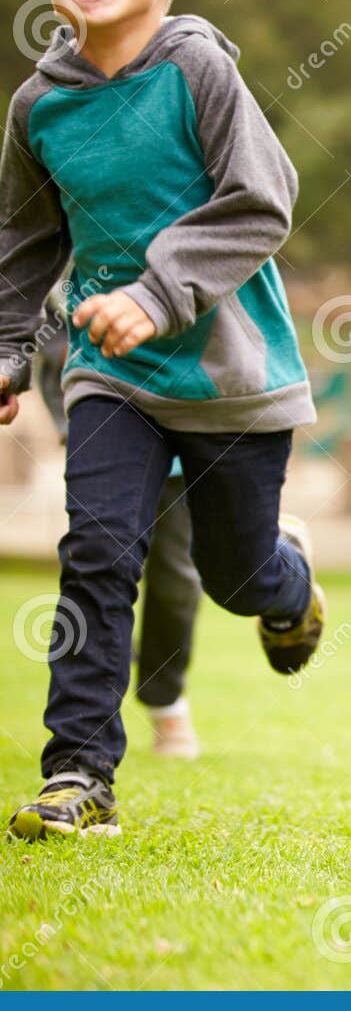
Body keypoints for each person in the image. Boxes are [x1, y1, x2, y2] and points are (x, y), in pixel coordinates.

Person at [0, 0, 324, 840]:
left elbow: (264, 197)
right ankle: (78, 771)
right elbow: (25, 245)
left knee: (234, 574)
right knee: (98, 550)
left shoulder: (198, 72)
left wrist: (159, 287)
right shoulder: (37, 108)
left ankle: (286, 583)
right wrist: (8, 348)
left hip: (231, 375)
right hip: (113, 376)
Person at [36, 305, 204, 760]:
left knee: (176, 578)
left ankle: (165, 697)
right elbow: (53, 341)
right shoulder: (73, 266)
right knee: (97, 561)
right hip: (103, 429)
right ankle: (83, 742)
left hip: (183, 432)